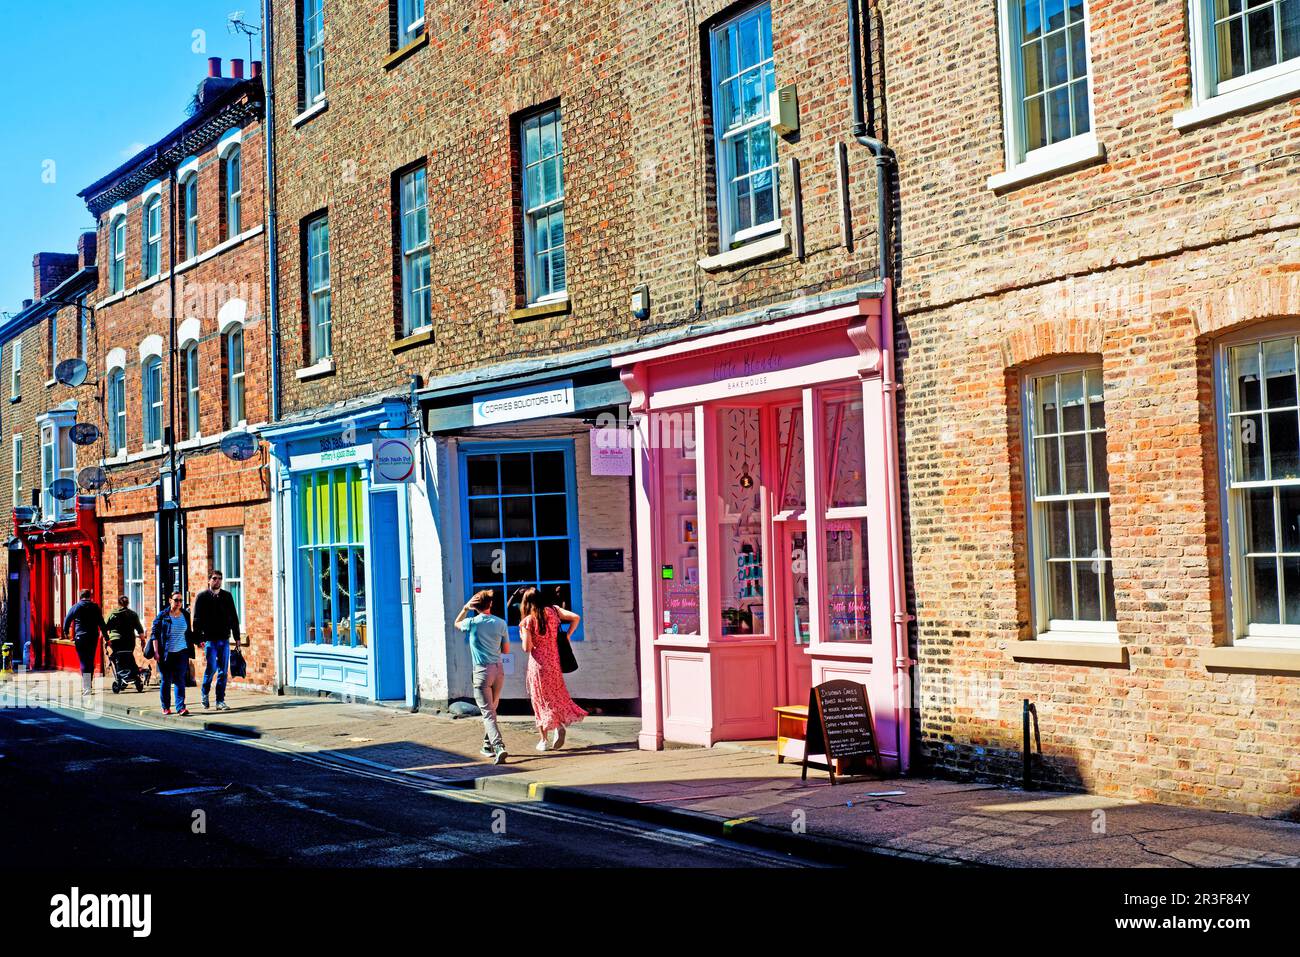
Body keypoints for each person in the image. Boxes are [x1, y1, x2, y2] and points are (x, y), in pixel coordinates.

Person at [519, 586, 587, 752]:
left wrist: (523, 635)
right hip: (554, 662)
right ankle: (559, 726)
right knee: (555, 694)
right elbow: (576, 618)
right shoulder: (554, 611)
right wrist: (567, 635)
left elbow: (527, 648)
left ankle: (543, 740)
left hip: (538, 665)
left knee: (539, 699)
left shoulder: (528, 620)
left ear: (526, 603)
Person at [454, 589, 510, 765]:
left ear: (475, 607)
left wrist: (464, 608)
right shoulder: (501, 623)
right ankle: (487, 745)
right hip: (498, 670)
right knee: (492, 709)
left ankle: (498, 746)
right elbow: (506, 650)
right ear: (490, 604)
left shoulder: (471, 623)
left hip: (481, 672)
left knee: (487, 712)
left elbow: (456, 623)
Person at [192, 570, 241, 711]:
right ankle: (204, 693)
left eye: (220, 578)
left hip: (224, 639)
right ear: (209, 580)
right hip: (209, 640)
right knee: (211, 668)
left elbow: (234, 618)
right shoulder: (202, 597)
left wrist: (237, 638)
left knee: (223, 671)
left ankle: (220, 700)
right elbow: (196, 620)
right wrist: (198, 639)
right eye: (214, 578)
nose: (217, 581)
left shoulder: (227, 596)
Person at [150, 592, 196, 716]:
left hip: (182, 653)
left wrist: (198, 641)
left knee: (180, 680)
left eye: (181, 600)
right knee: (166, 680)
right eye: (176, 600)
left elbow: (189, 633)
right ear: (170, 600)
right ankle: (165, 706)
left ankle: (180, 707)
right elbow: (154, 634)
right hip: (166, 654)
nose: (179, 603)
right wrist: (155, 651)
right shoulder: (163, 615)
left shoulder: (185, 615)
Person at [62, 589, 108, 696]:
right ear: (90, 596)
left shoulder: (76, 607)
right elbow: (102, 623)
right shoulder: (95, 607)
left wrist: (66, 633)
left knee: (83, 661)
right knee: (90, 660)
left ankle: (87, 687)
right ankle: (89, 684)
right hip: (93, 637)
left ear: (80, 596)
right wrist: (106, 637)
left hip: (80, 637)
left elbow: (67, 621)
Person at [105, 595, 148, 689]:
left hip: (116, 641)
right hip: (129, 641)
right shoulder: (132, 614)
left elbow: (104, 627)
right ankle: (129, 675)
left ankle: (122, 676)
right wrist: (142, 640)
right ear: (127, 603)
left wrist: (107, 639)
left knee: (119, 659)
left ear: (118, 603)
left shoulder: (113, 614)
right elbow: (139, 629)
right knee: (128, 657)